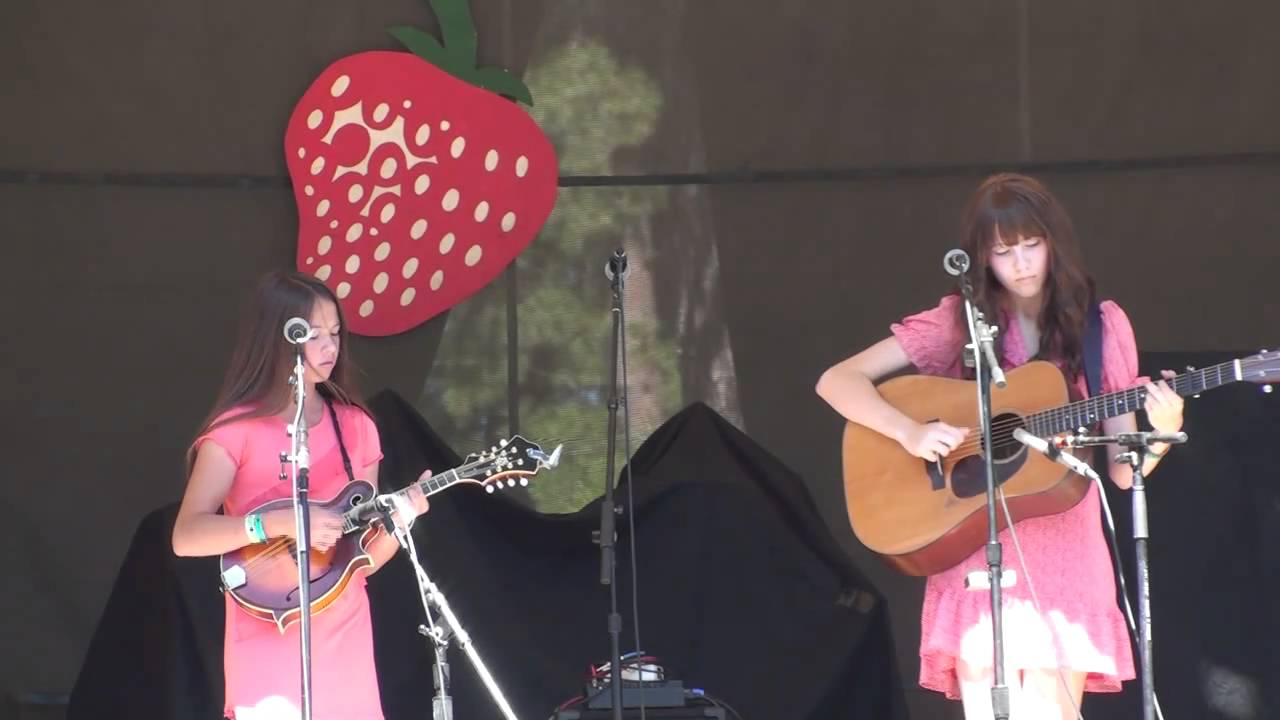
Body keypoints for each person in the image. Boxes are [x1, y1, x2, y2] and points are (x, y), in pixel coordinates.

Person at [815, 173, 1184, 720]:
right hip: (973, 536)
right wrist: (909, 432)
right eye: (1003, 252)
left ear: (1054, 241)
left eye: (1032, 245)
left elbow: (1124, 472)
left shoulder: (1099, 327)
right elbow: (836, 382)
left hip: (1063, 546)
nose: (1021, 263)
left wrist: (1162, 430)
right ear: (982, 259)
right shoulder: (959, 324)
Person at [172, 270, 430, 720]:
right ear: (279, 338)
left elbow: (361, 557)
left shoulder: (357, 427)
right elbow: (187, 535)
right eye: (314, 335)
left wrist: (402, 517)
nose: (331, 348)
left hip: (344, 631)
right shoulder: (236, 432)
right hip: (267, 625)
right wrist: (275, 523)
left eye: (336, 334)